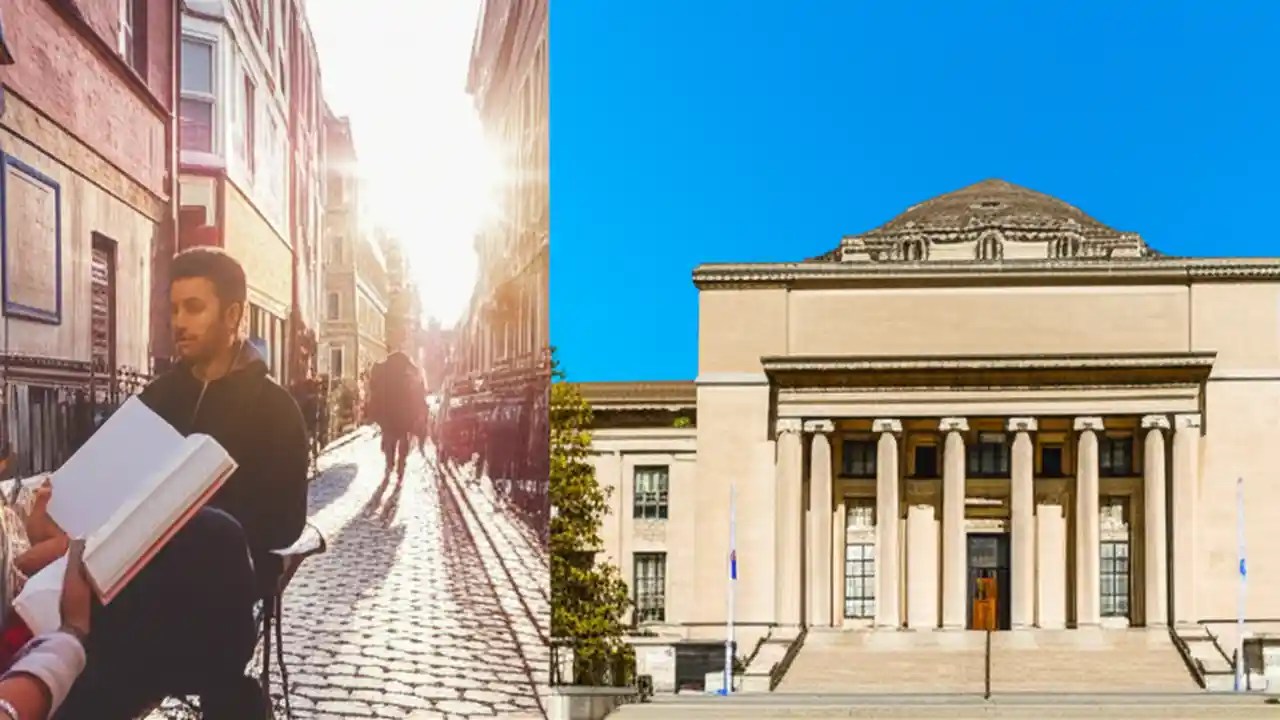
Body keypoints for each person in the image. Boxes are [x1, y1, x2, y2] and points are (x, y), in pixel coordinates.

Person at [54, 247, 310, 718]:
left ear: (232, 315)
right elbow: (106, 478)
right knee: (87, 660)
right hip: (130, 590)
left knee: (209, 534)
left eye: (194, 307)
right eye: (173, 308)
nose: (179, 321)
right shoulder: (159, 396)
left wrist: (195, 516)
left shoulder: (276, 411)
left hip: (215, 596)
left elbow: (286, 522)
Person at [367, 351, 426, 483]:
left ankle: (390, 465)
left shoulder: (383, 373)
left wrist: (375, 413)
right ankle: (400, 467)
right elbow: (417, 392)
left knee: (390, 442)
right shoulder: (409, 372)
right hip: (403, 415)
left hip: (389, 414)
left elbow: (375, 391)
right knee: (402, 441)